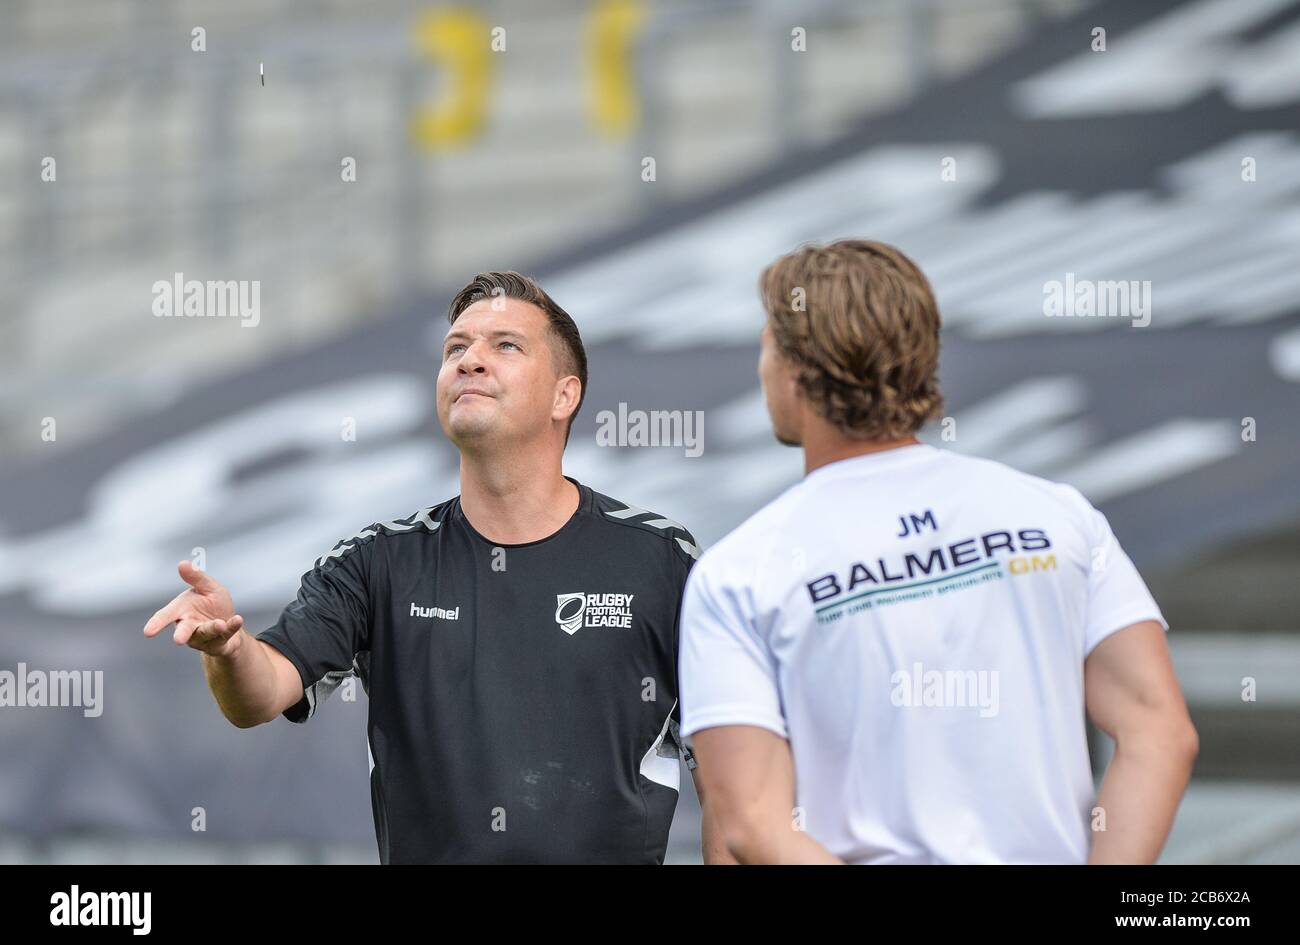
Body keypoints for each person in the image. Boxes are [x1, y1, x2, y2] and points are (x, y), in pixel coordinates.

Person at [144, 271, 726, 864]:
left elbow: (730, 793)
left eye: (505, 345)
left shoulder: (661, 561)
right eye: (456, 348)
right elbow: (259, 694)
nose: (470, 360)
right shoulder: (376, 564)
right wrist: (229, 651)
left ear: (564, 395)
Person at [678, 239, 1198, 864]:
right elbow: (1158, 729)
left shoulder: (739, 572)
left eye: (766, 346)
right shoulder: (1056, 514)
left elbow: (750, 823)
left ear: (796, 372)